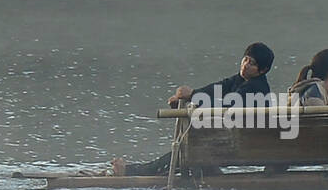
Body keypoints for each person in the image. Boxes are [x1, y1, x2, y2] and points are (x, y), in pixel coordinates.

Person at [111, 42, 275, 176]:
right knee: (189, 147)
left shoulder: (256, 87)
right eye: (245, 59)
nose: (245, 65)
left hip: (243, 146)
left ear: (263, 70)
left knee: (187, 150)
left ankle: (133, 171)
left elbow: (226, 107)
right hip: (232, 141)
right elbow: (216, 89)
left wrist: (194, 95)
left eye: (252, 64)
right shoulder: (239, 80)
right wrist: (191, 96)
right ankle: (208, 173)